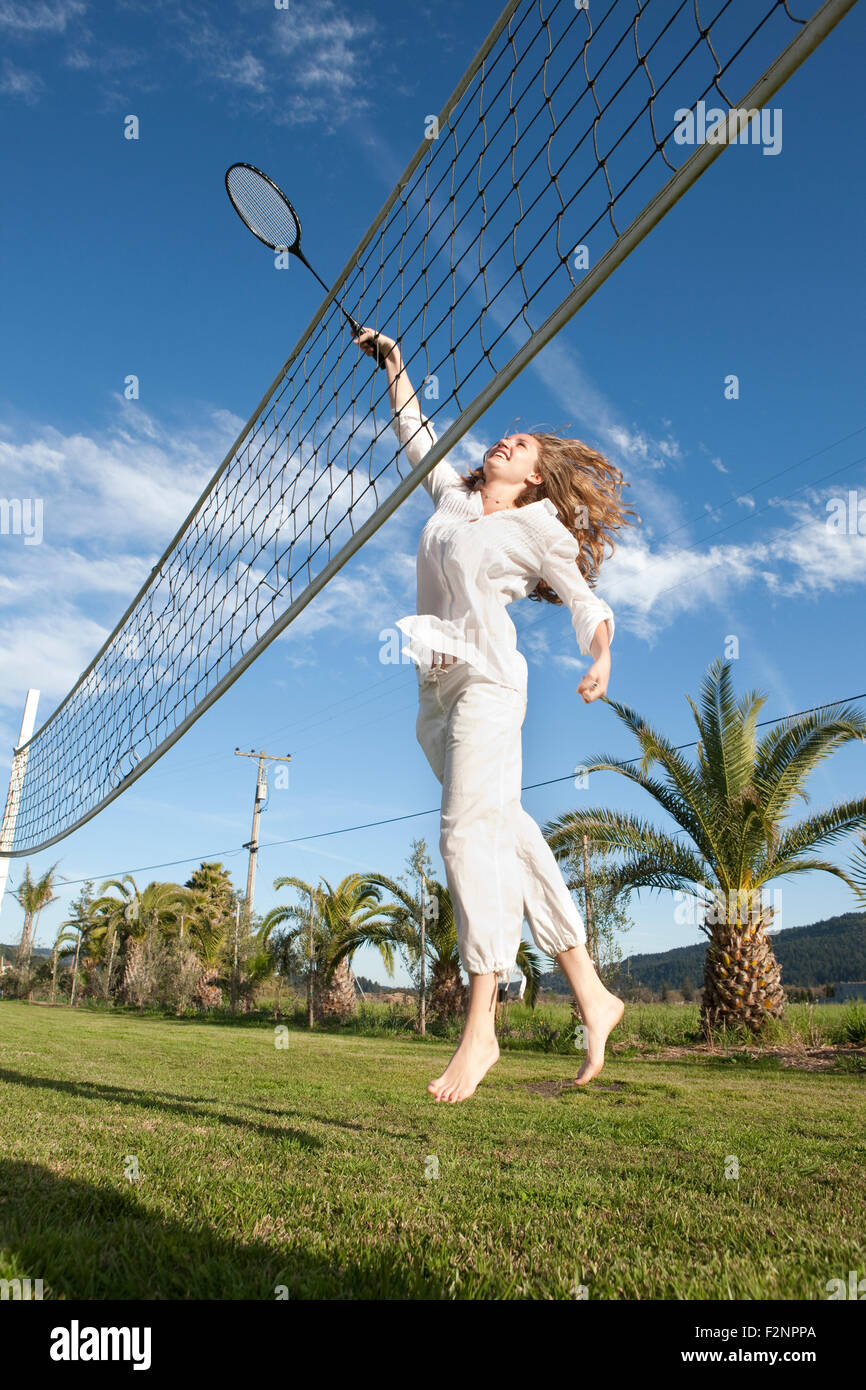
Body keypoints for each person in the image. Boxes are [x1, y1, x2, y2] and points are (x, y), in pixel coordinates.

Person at [354, 326, 637, 1104]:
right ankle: (592, 990)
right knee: (506, 829)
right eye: (506, 436)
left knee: (465, 832)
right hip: (434, 690)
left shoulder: (539, 528)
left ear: (539, 478)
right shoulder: (454, 497)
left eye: (521, 444)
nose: (505, 439)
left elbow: (585, 598)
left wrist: (601, 653)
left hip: (489, 683)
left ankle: (481, 1025)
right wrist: (396, 365)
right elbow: (416, 435)